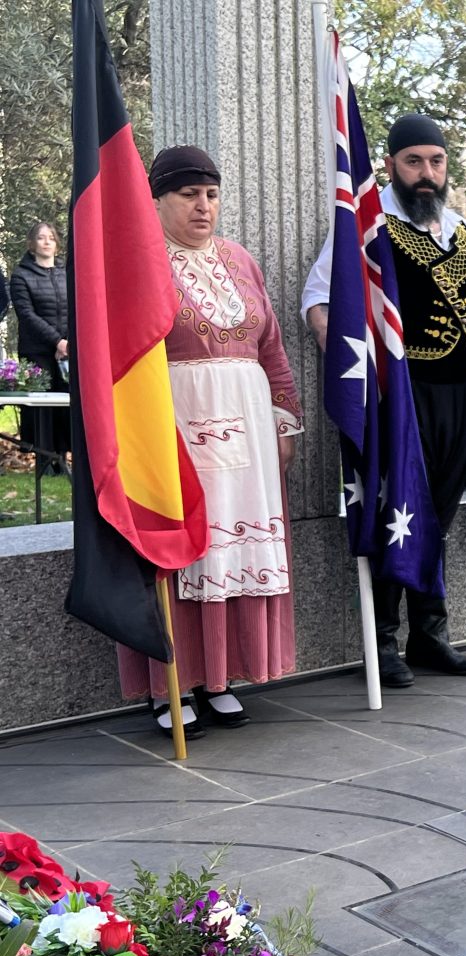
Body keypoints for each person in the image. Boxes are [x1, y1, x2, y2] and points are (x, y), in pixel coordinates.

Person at [302, 114, 466, 688]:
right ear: (391, 165)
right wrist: (359, 376)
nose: (427, 173)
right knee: (398, 512)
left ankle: (429, 634)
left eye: (436, 161)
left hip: (463, 396)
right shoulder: (368, 225)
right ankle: (383, 639)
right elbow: (319, 301)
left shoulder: (463, 230)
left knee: (438, 516)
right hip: (402, 399)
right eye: (414, 162)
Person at [117, 147, 305, 738]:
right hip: (174, 428)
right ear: (156, 200)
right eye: (188, 195)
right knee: (182, 548)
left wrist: (284, 418)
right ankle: (168, 685)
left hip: (248, 430)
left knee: (232, 547)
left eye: (212, 195)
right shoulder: (140, 264)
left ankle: (218, 678)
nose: (204, 206)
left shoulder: (240, 259)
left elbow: (271, 346)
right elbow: (122, 356)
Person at [9, 221, 71, 473]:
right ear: (32, 244)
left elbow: (76, 307)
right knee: (41, 408)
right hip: (37, 351)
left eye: (51, 238)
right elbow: (26, 314)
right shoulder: (21, 275)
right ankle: (43, 462)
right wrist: (57, 341)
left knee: (65, 404)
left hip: (66, 351)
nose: (46, 242)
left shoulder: (66, 273)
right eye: (41, 238)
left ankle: (62, 459)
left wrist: (67, 342)